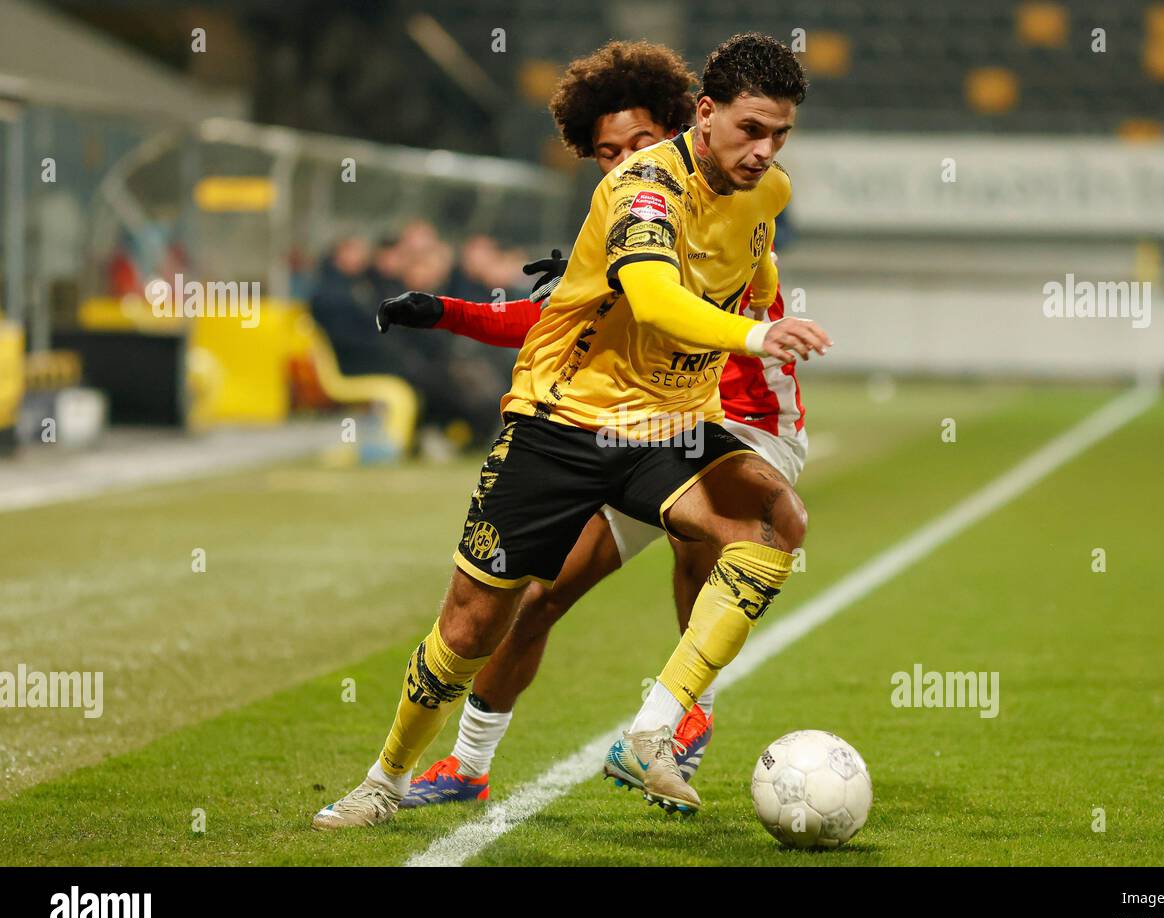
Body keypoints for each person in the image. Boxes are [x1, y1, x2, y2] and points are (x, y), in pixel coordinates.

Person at [313, 32, 825, 828]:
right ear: (705, 113)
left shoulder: (769, 193)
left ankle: (656, 730)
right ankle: (387, 776)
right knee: (474, 625)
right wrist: (757, 337)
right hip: (563, 424)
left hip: (671, 424)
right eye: (752, 130)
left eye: (780, 134)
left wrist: (761, 312)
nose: (766, 151)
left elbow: (746, 272)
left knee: (772, 522)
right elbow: (654, 301)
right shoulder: (643, 190)